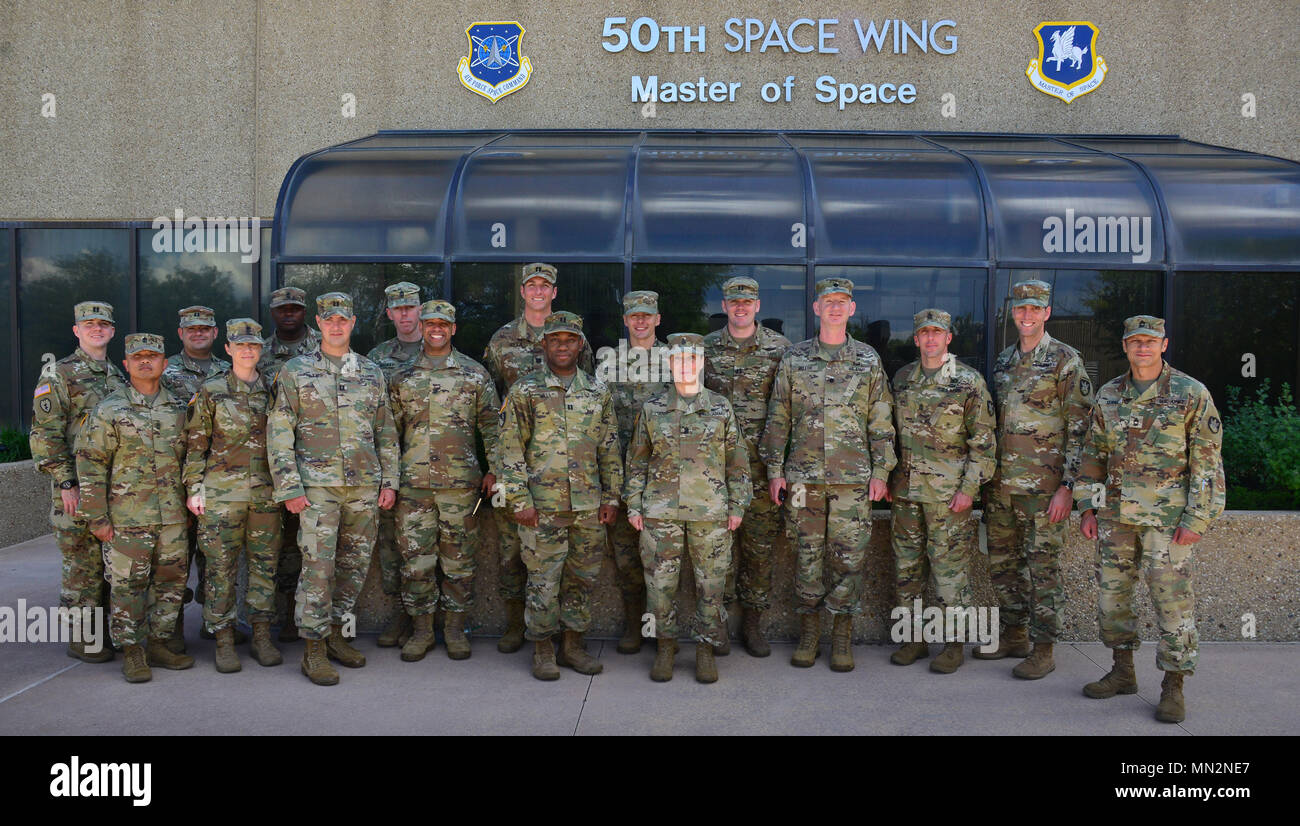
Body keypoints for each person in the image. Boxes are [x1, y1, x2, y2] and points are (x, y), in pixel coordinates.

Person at [1075, 315, 1224, 723]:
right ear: (1125, 347)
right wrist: (1087, 506)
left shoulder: (1190, 393)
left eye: (1150, 341)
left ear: (1164, 344)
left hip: (1168, 519)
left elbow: (1208, 464)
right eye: (1135, 341)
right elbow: (1092, 455)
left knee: (1172, 603)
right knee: (1112, 598)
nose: (1142, 347)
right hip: (1116, 516)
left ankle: (1173, 685)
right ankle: (1123, 671)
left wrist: (1197, 518)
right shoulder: (1109, 394)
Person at [760, 277, 896, 672]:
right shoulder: (795, 358)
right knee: (806, 558)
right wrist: (774, 470)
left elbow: (881, 420)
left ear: (852, 309)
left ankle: (841, 637)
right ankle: (808, 635)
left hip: (853, 481)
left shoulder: (868, 360)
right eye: (827, 301)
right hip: (803, 480)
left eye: (842, 302)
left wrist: (882, 471)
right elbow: (778, 416)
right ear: (816, 308)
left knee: (848, 560)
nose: (835, 307)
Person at [267, 292, 399, 686]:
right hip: (317, 488)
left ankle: (338, 637)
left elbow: (386, 431)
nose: (337, 325)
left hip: (363, 487)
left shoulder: (372, 372)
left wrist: (389, 480)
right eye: (329, 319)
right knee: (318, 570)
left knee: (353, 568)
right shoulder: (295, 370)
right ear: (320, 324)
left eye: (343, 319)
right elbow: (279, 431)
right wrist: (289, 485)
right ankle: (313, 649)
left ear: (353, 323)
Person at [976, 280, 1094, 679]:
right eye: (1020, 309)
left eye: (1034, 309)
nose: (1026, 316)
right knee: (1004, 566)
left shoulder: (1065, 360)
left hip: (1044, 490)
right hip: (1002, 486)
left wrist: (1068, 488)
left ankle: (1043, 650)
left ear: (1046, 313)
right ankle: (1015, 635)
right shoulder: (1004, 361)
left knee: (1043, 569)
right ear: (1014, 313)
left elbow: (1081, 429)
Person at [498, 311, 621, 681]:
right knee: (542, 580)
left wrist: (612, 497)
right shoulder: (525, 390)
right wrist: (520, 501)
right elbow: (509, 450)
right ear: (544, 344)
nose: (562, 346)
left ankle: (572, 647)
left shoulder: (597, 392)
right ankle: (542, 649)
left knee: (581, 579)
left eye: (569, 340)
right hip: (542, 507)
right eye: (555, 340)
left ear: (580, 345)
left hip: (587, 506)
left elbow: (610, 448)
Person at [624, 333, 750, 683]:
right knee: (660, 586)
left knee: (711, 586)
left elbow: (738, 464)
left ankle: (706, 650)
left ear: (701, 362)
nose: (685, 365)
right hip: (660, 513)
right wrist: (634, 505)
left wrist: (738, 505)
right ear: (670, 363)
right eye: (678, 359)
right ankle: (666, 648)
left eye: (691, 358)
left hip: (711, 514)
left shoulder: (720, 408)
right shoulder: (653, 409)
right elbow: (636, 462)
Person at [482, 263, 595, 654]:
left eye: (544, 286)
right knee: (514, 552)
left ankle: (563, 638)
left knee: (563, 565)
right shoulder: (501, 340)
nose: (537, 291)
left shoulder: (576, 338)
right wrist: (496, 468)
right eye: (530, 285)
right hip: (516, 469)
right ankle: (518, 625)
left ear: (553, 292)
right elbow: (491, 406)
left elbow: (587, 395)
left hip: (567, 477)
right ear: (524, 291)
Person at [76, 333, 193, 683]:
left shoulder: (178, 409)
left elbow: (191, 460)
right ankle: (133, 652)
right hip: (126, 519)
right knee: (128, 588)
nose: (145, 361)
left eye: (152, 356)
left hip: (172, 517)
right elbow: (90, 464)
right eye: (137, 357)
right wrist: (97, 517)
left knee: (171, 585)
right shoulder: (109, 409)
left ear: (164, 363)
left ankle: (158, 644)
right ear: (126, 365)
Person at [388, 300, 500, 662]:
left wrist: (494, 469)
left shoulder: (474, 374)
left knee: (459, 562)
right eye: (430, 323)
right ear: (421, 327)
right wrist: (389, 479)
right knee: (416, 562)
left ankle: (454, 629)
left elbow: (492, 427)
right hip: (413, 485)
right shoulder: (402, 377)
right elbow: (389, 433)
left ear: (453, 329)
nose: (436, 329)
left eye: (444, 324)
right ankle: (422, 631)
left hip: (460, 487)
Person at [887, 309, 997, 674]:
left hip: (948, 496)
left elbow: (983, 444)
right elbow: (889, 434)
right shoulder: (902, 378)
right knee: (907, 569)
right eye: (924, 333)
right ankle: (913, 639)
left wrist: (969, 490)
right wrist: (886, 477)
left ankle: (953, 645)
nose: (931, 339)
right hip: (905, 492)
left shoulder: (967, 382)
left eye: (938, 333)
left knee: (950, 573)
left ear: (949, 338)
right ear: (916, 338)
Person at [29, 300, 127, 663]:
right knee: (81, 565)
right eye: (89, 324)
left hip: (112, 489)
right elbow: (44, 435)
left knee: (107, 564)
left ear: (112, 330)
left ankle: (106, 633)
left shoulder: (118, 375)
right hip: (75, 490)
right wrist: (67, 483)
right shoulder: (59, 374)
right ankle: (83, 639)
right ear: (76, 331)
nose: (96, 329)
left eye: (103, 324)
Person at [183, 318, 283, 673]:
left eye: (253, 346)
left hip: (265, 495)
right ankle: (223, 639)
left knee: (263, 568)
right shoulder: (211, 390)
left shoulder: (274, 389)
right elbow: (196, 445)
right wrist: (194, 488)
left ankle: (260, 635)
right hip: (221, 496)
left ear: (260, 350)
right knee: (221, 571)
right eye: (241, 345)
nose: (247, 351)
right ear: (228, 349)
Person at [702, 276, 791, 657]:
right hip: (714, 471)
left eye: (747, 302)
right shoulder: (705, 349)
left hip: (759, 469)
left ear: (757, 306)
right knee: (715, 552)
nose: (740, 307)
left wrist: (776, 470)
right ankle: (717, 624)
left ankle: (753, 626)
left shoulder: (779, 349)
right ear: (724, 306)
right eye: (733, 302)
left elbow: (785, 411)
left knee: (758, 551)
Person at [161, 304, 231, 651]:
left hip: (219, 480)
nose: (199, 333)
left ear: (216, 333)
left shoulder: (229, 370)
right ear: (181, 334)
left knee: (214, 560)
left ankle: (214, 624)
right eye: (192, 329)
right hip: (173, 478)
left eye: (205, 328)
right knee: (175, 559)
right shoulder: (163, 371)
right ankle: (171, 629)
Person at [605, 290, 670, 654]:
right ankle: (634, 625)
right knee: (626, 556)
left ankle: (661, 630)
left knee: (662, 561)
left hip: (663, 479)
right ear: (626, 321)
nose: (641, 321)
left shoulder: (676, 363)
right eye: (634, 316)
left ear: (658, 319)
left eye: (648, 315)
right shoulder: (608, 364)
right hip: (619, 475)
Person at [259, 286, 322, 643]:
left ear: (304, 312)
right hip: (271, 466)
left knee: (311, 547)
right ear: (273, 313)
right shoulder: (259, 353)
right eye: (282, 309)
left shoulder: (324, 348)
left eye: (295, 308)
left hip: (316, 468)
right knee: (277, 548)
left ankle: (306, 620)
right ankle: (278, 618)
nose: (288, 314)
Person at [366, 282, 426, 649]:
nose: (405, 314)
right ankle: (400, 613)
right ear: (389, 314)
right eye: (397, 308)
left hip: (428, 469)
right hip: (388, 469)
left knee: (424, 549)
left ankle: (425, 619)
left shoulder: (440, 349)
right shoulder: (376, 359)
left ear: (420, 310)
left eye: (410, 307)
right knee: (392, 547)